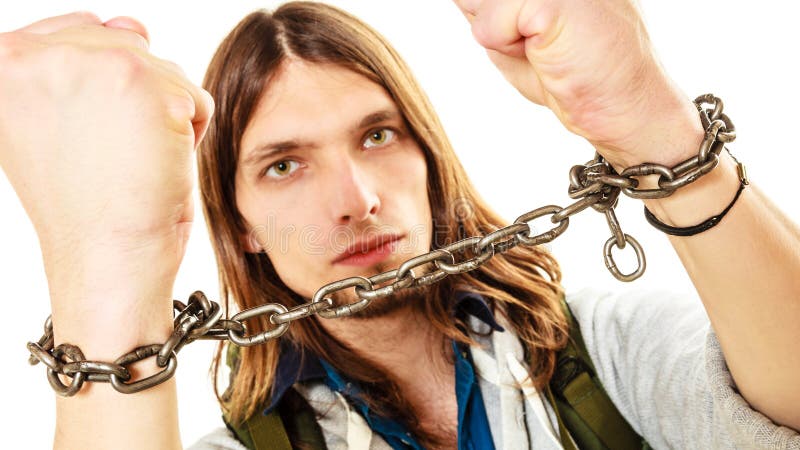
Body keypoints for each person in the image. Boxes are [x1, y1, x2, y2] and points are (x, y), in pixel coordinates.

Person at [0, 2, 798, 450]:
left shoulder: (605, 348)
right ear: (240, 225)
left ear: (428, 157)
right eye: (285, 164)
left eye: (377, 136)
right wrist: (110, 262)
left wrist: (647, 126)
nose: (355, 199)